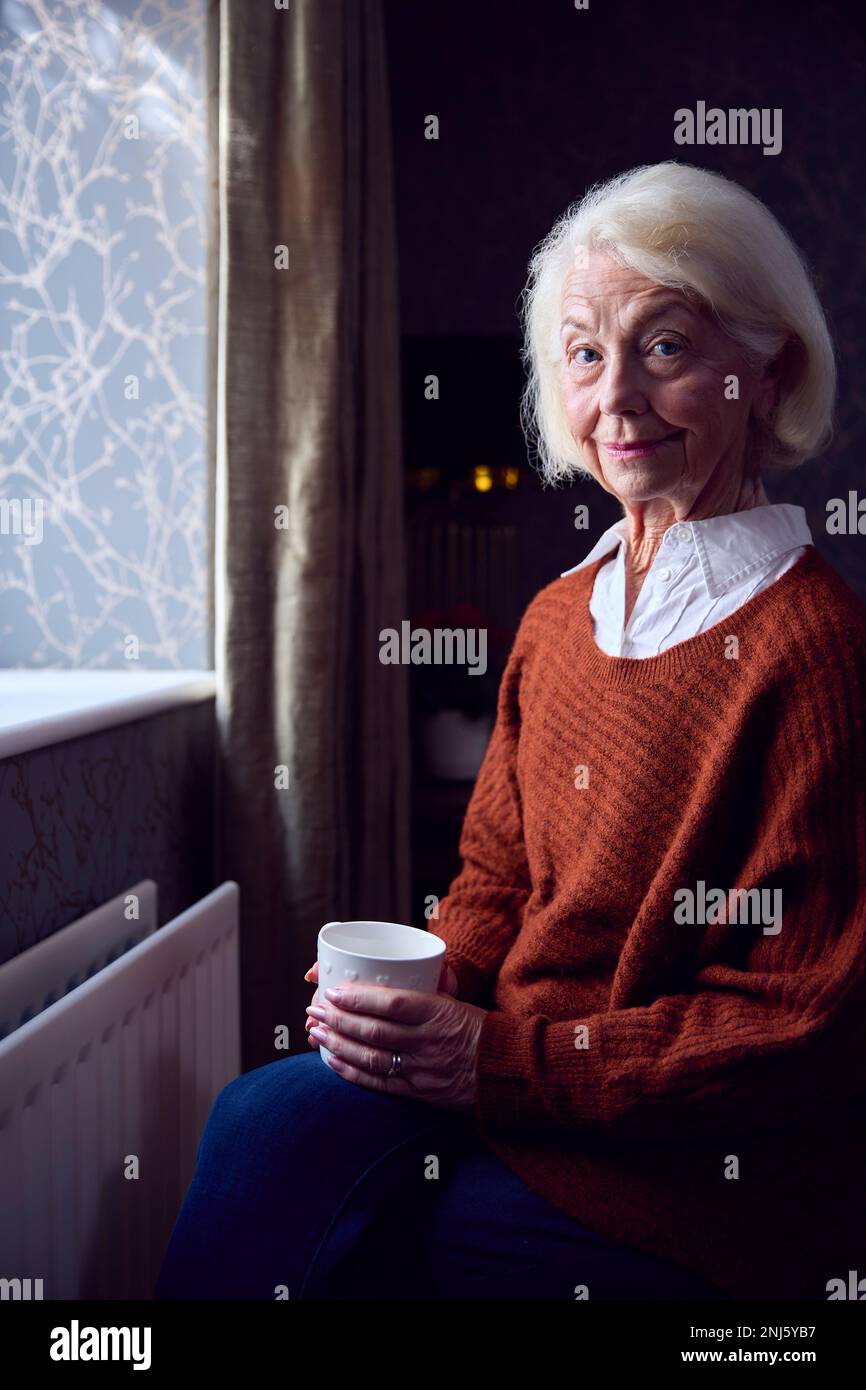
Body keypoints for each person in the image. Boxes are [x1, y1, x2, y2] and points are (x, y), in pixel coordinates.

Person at [155, 162, 866, 1301]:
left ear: (762, 365)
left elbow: (792, 1029)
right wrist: (417, 1004)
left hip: (697, 1179)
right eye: (583, 353)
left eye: (665, 346)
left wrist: (496, 1062)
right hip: (510, 1092)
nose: (616, 397)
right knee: (261, 1113)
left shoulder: (816, 649)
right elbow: (492, 878)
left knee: (348, 1242)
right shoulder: (554, 617)